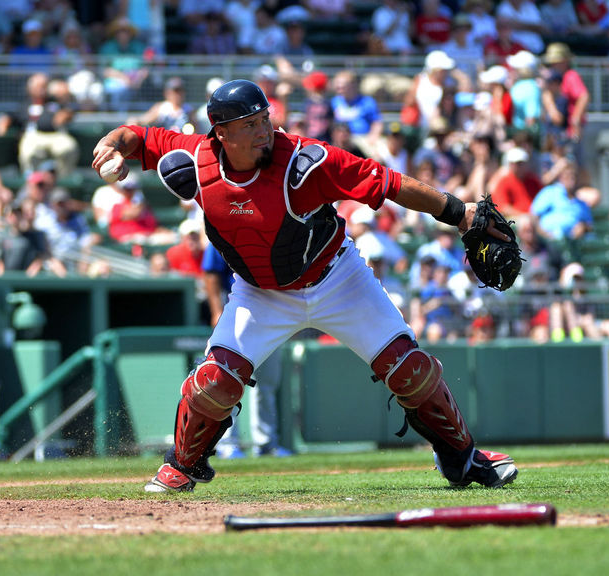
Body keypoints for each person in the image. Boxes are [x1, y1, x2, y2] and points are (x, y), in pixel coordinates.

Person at [92, 78, 519, 493]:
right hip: (259, 291)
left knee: (410, 369)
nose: (264, 131)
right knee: (215, 380)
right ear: (221, 133)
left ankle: (463, 458)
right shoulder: (196, 157)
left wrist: (459, 213)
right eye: (250, 125)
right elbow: (133, 136)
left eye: (265, 119)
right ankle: (181, 465)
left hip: (337, 276)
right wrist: (109, 145)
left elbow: (388, 183)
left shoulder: (306, 160)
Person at [201, 243, 292, 458]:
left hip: (271, 312)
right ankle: (227, 442)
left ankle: (266, 442)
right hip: (238, 312)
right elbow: (211, 272)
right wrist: (216, 310)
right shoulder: (225, 228)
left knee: (267, 382)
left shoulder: (278, 225)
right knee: (227, 380)